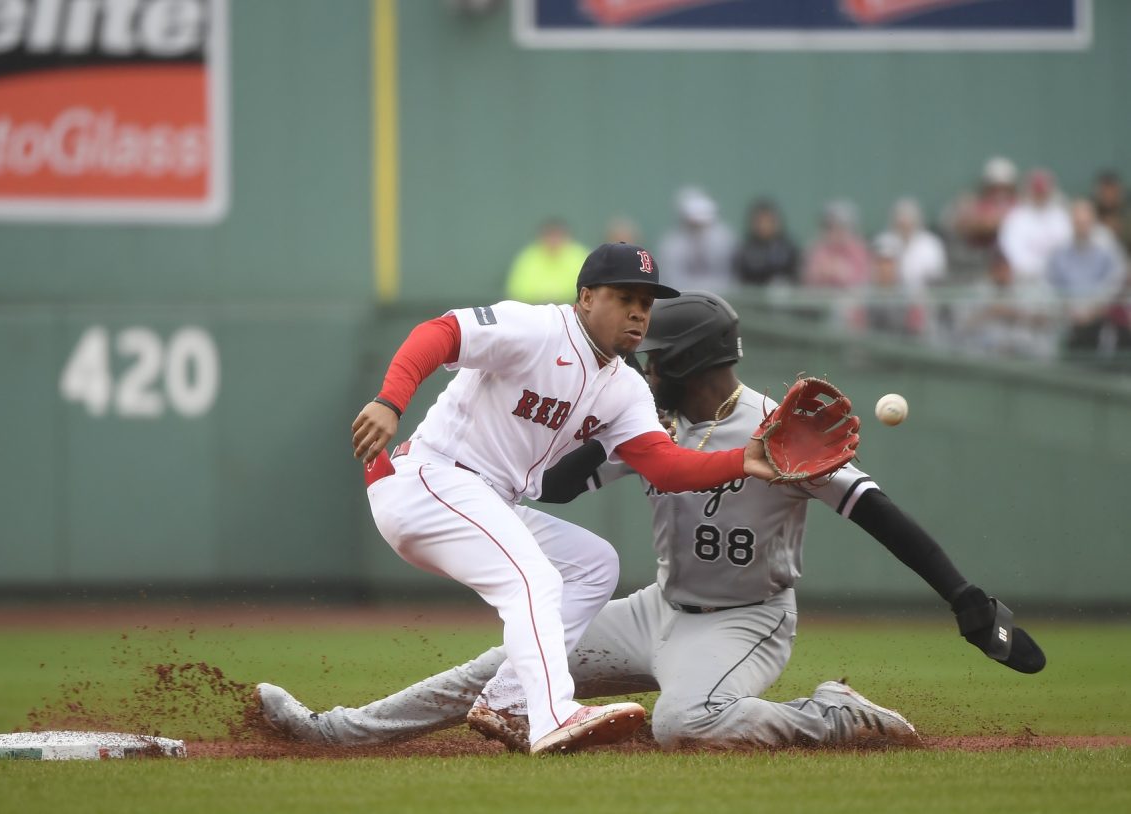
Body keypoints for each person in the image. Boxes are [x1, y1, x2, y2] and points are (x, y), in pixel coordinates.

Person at [258, 292, 1044, 753]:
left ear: (695, 368)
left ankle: (827, 712)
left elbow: (882, 516)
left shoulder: (785, 433)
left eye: (658, 361)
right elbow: (565, 488)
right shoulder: (649, 428)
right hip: (656, 609)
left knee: (683, 724)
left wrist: (963, 596)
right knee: (510, 661)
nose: (643, 370)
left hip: (745, 622)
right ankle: (339, 730)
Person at [300, 244, 792, 756]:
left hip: (487, 499)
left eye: (646, 304)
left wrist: (743, 460)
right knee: (535, 578)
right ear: (585, 297)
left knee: (595, 565)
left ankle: (509, 697)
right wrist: (389, 400)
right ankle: (552, 713)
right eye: (624, 297)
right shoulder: (535, 329)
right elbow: (440, 333)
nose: (637, 313)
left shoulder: (624, 387)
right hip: (429, 481)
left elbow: (664, 465)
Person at [1046, 199, 1125, 356]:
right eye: (1078, 223)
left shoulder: (1105, 247)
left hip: (1099, 316)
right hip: (1067, 318)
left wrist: (1095, 309)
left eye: (1085, 223)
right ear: (1071, 223)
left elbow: (1116, 280)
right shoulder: (1060, 251)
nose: (1082, 228)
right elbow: (1050, 283)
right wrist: (1068, 309)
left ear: (1093, 223)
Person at [998, 169, 1072, 284]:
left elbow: (1066, 247)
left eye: (1042, 192)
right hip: (1023, 280)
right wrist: (1032, 270)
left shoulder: (1060, 217)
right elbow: (1011, 251)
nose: (1040, 195)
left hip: (1058, 280)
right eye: (1037, 192)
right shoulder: (1016, 217)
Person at [657, 186, 736, 294]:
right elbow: (672, 279)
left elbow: (728, 276)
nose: (699, 229)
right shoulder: (671, 246)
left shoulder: (724, 240)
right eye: (693, 224)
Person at [503, 218, 589, 304]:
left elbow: (588, 290)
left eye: (557, 236)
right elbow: (516, 292)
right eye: (550, 236)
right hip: (534, 311)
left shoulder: (580, 256)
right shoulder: (528, 258)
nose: (553, 240)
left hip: (572, 310)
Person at [731, 198, 799, 287]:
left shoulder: (788, 248)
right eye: (760, 221)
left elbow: (794, 276)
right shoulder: (745, 250)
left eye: (768, 221)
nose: (764, 226)